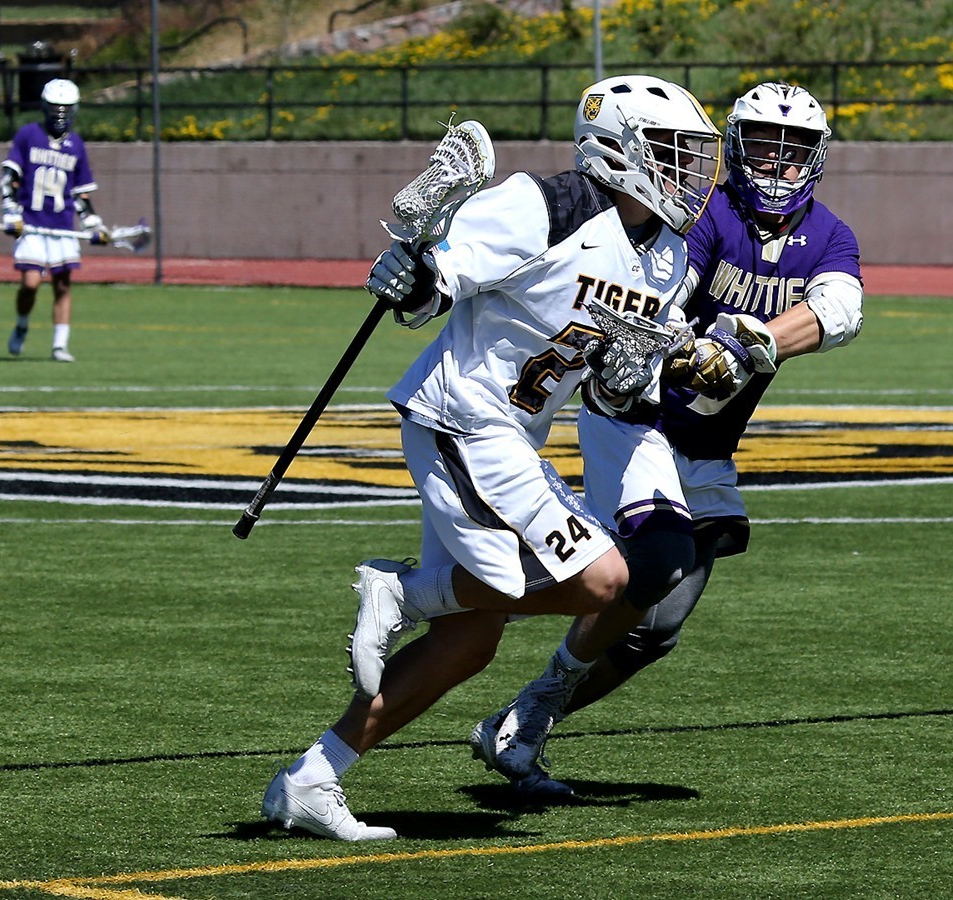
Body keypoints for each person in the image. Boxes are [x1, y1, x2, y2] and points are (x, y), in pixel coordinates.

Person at [260, 73, 723, 841]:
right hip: (465, 418)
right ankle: (403, 592)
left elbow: (616, 390)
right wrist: (411, 280)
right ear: (621, 150)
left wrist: (641, 371)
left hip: (509, 433)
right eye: (673, 153)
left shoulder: (671, 258)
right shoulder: (546, 204)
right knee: (604, 579)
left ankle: (312, 779)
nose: (690, 173)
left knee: (470, 640)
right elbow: (439, 282)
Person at [469, 81, 865, 796]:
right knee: (629, 572)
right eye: (765, 147)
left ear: (818, 157)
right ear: (737, 148)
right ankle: (476, 636)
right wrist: (688, 345)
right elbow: (655, 298)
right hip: (636, 420)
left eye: (794, 150)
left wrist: (755, 343)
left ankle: (531, 710)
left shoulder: (829, 234)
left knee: (658, 628)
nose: (777, 165)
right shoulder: (706, 212)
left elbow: (840, 308)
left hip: (708, 448)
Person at [0, 78, 108, 363]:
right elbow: (9, 179)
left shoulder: (75, 145)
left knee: (62, 284)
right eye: (56, 107)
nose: (61, 114)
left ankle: (60, 345)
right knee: (31, 283)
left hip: (62, 227)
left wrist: (93, 224)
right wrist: (11, 212)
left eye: (66, 108)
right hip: (33, 224)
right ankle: (22, 325)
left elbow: (80, 193)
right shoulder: (28, 135)